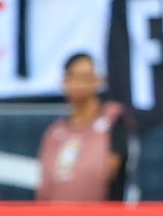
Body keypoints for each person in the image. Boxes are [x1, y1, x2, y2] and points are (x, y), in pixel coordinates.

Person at [37, 52, 129, 202]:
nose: (78, 84)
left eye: (85, 78)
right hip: (57, 213)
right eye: (72, 77)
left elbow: (110, 172)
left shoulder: (113, 118)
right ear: (64, 80)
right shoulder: (54, 132)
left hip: (99, 213)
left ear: (97, 80)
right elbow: (45, 184)